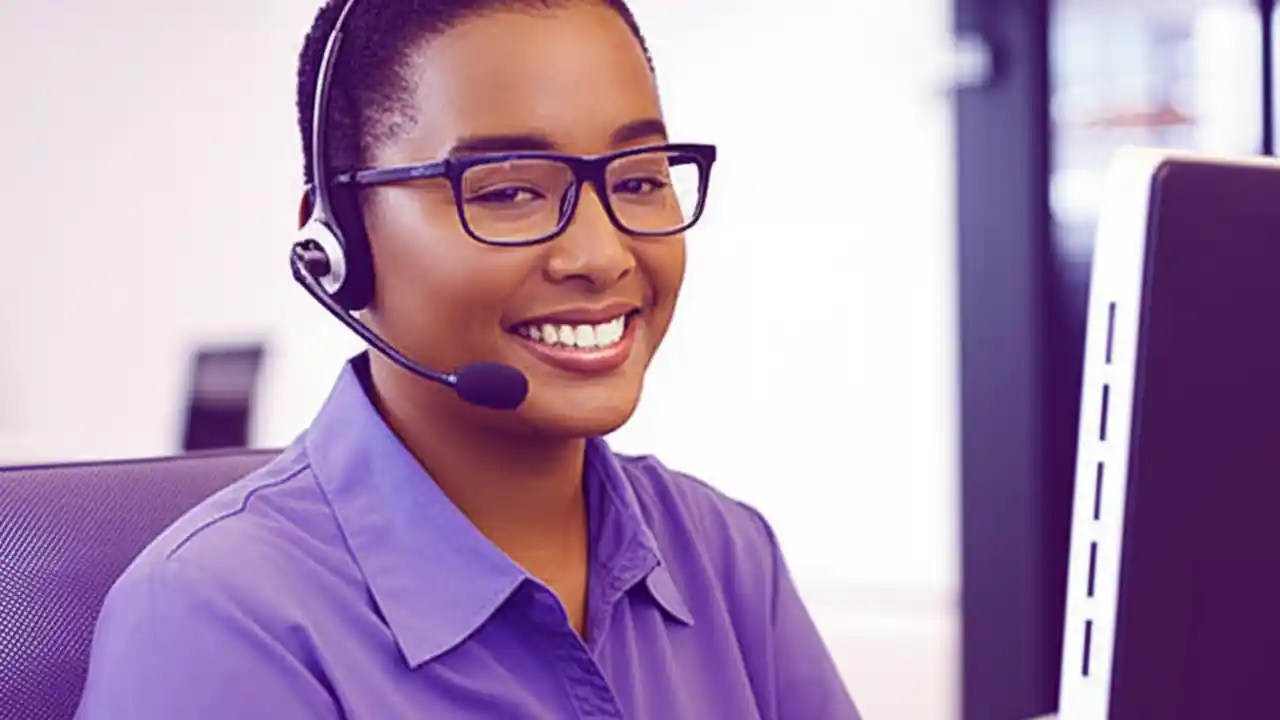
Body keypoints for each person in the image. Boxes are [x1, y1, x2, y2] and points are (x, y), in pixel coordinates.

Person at [75, 1, 860, 718]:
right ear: (338, 244)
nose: (600, 253)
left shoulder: (723, 554)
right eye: (507, 191)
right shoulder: (218, 619)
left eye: (640, 179)